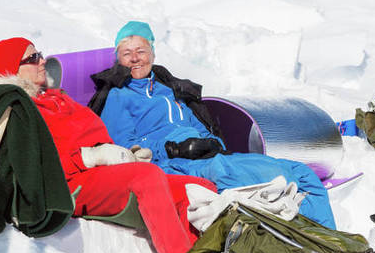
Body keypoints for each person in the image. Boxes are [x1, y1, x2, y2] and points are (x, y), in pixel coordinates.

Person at [0, 36, 216, 253]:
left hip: (101, 175)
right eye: (33, 58)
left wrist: (128, 155)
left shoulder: (58, 99)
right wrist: (92, 157)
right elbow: (32, 167)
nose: (43, 61)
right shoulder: (18, 112)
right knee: (148, 177)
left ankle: (199, 250)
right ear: (12, 69)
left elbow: (97, 139)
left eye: (40, 54)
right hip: (70, 185)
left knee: (197, 186)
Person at [89, 21, 337, 229]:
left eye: (141, 51)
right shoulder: (118, 96)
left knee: (302, 173)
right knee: (253, 177)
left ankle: (331, 241)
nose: (135, 58)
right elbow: (125, 149)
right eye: (126, 53)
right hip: (172, 165)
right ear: (118, 59)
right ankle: (299, 239)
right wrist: (174, 148)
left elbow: (204, 129)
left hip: (210, 156)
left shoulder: (170, 90)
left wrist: (208, 143)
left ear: (152, 53)